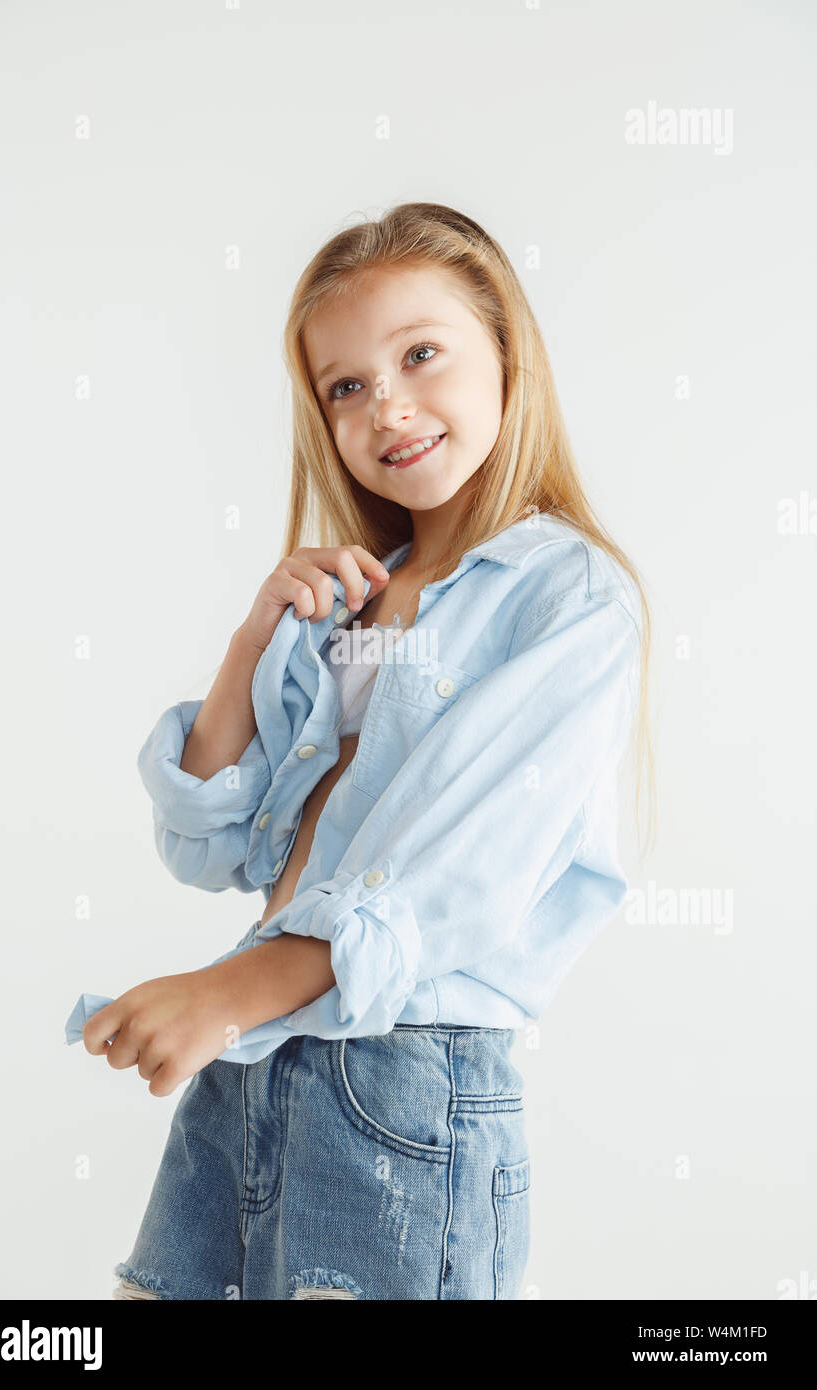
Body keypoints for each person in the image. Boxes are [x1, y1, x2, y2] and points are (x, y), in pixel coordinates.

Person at [83, 202, 655, 1301]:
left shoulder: (566, 598)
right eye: (344, 386)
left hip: (401, 1075)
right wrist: (255, 637)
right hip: (253, 1049)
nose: (385, 402)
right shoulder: (349, 603)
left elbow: (456, 872)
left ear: (505, 348)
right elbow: (209, 842)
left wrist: (229, 990)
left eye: (420, 353)